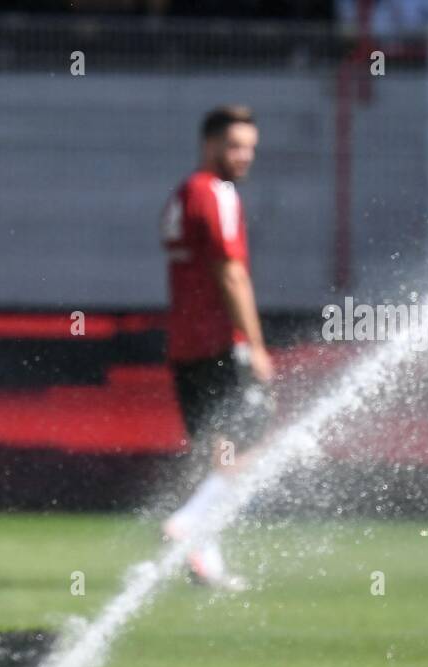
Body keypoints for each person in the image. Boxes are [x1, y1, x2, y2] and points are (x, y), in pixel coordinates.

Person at [159, 105, 275, 591]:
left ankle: (204, 558)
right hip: (220, 344)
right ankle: (190, 520)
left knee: (220, 454)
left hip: (186, 345)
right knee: (262, 441)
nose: (244, 156)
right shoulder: (215, 193)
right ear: (209, 145)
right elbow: (231, 271)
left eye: (250, 147)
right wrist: (256, 343)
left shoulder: (183, 194)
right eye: (234, 146)